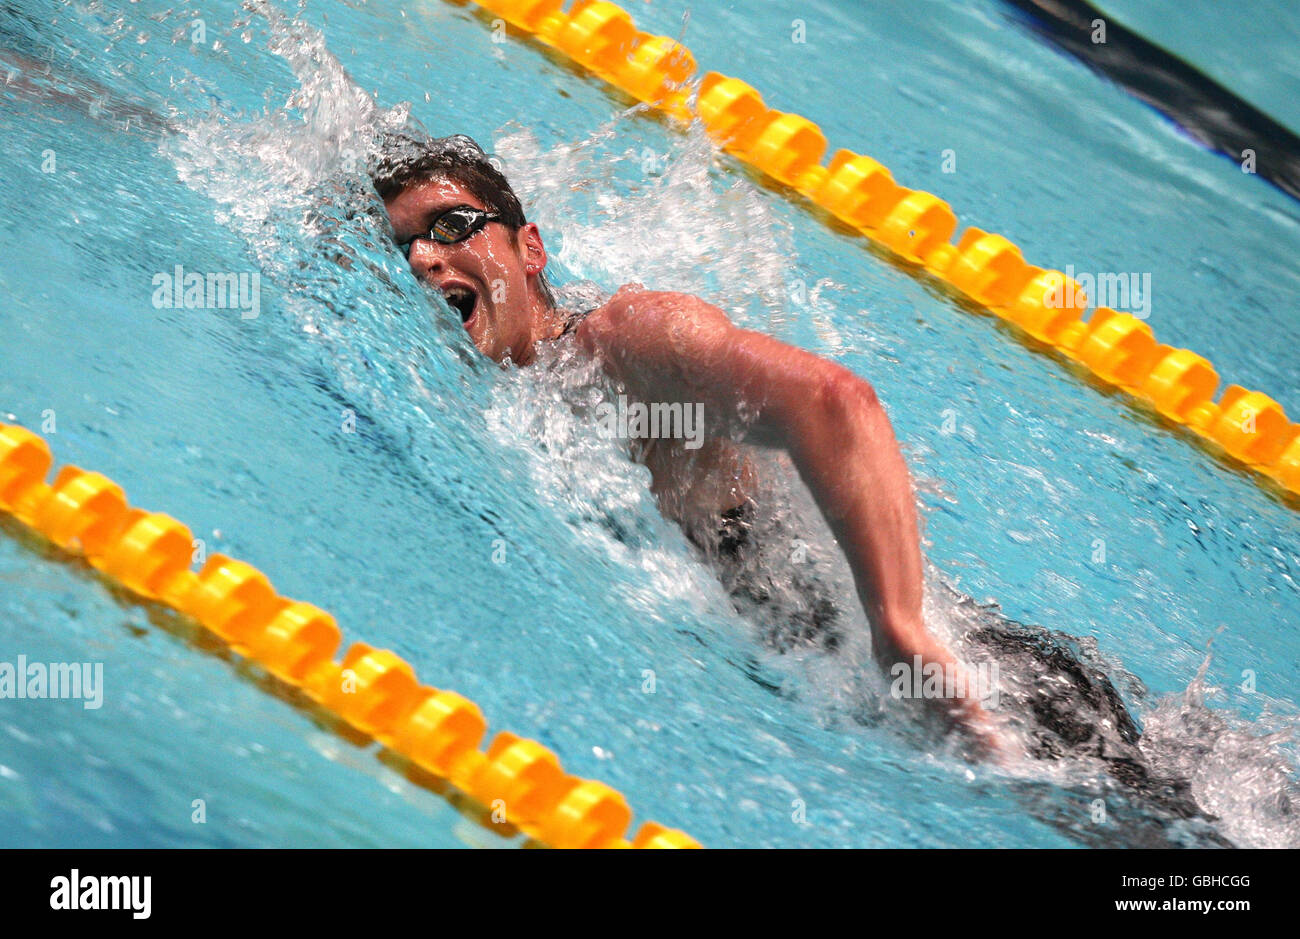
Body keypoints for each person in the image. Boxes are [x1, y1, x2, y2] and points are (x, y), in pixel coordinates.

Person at [372, 132, 998, 746]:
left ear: (530, 249)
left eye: (451, 225)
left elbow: (836, 402)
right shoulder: (515, 391)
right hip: (821, 676)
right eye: (404, 246)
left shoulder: (624, 342)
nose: (423, 258)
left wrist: (900, 629)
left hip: (958, 685)